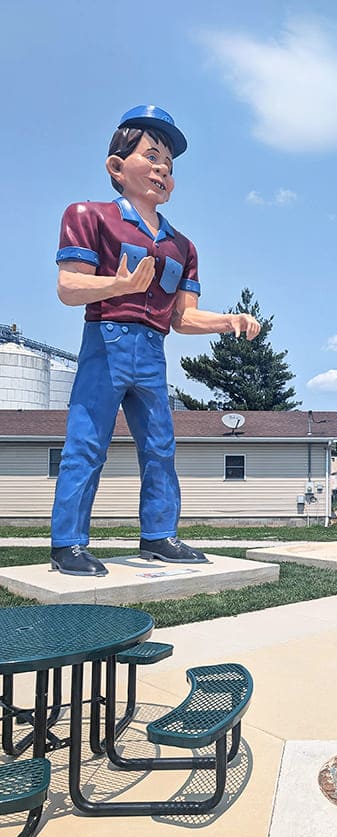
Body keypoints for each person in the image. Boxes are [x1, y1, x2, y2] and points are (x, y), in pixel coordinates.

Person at [50, 105, 261, 577]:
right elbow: (69, 286)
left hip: (151, 350)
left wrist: (228, 321)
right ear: (116, 166)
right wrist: (117, 286)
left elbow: (182, 317)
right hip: (105, 342)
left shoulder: (181, 246)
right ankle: (68, 543)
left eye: (169, 163)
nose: (163, 168)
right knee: (86, 444)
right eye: (152, 155)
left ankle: (160, 536)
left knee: (161, 446)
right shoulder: (89, 216)